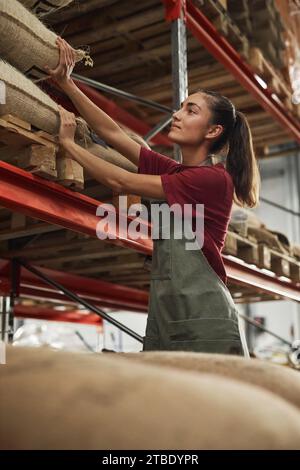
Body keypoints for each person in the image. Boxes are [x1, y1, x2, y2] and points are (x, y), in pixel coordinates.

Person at [45, 37, 260, 356]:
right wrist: (67, 84)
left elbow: (119, 179)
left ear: (212, 131)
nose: (177, 113)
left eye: (191, 110)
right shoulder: (177, 173)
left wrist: (70, 145)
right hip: (166, 309)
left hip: (202, 315)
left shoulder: (212, 180)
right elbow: (115, 134)